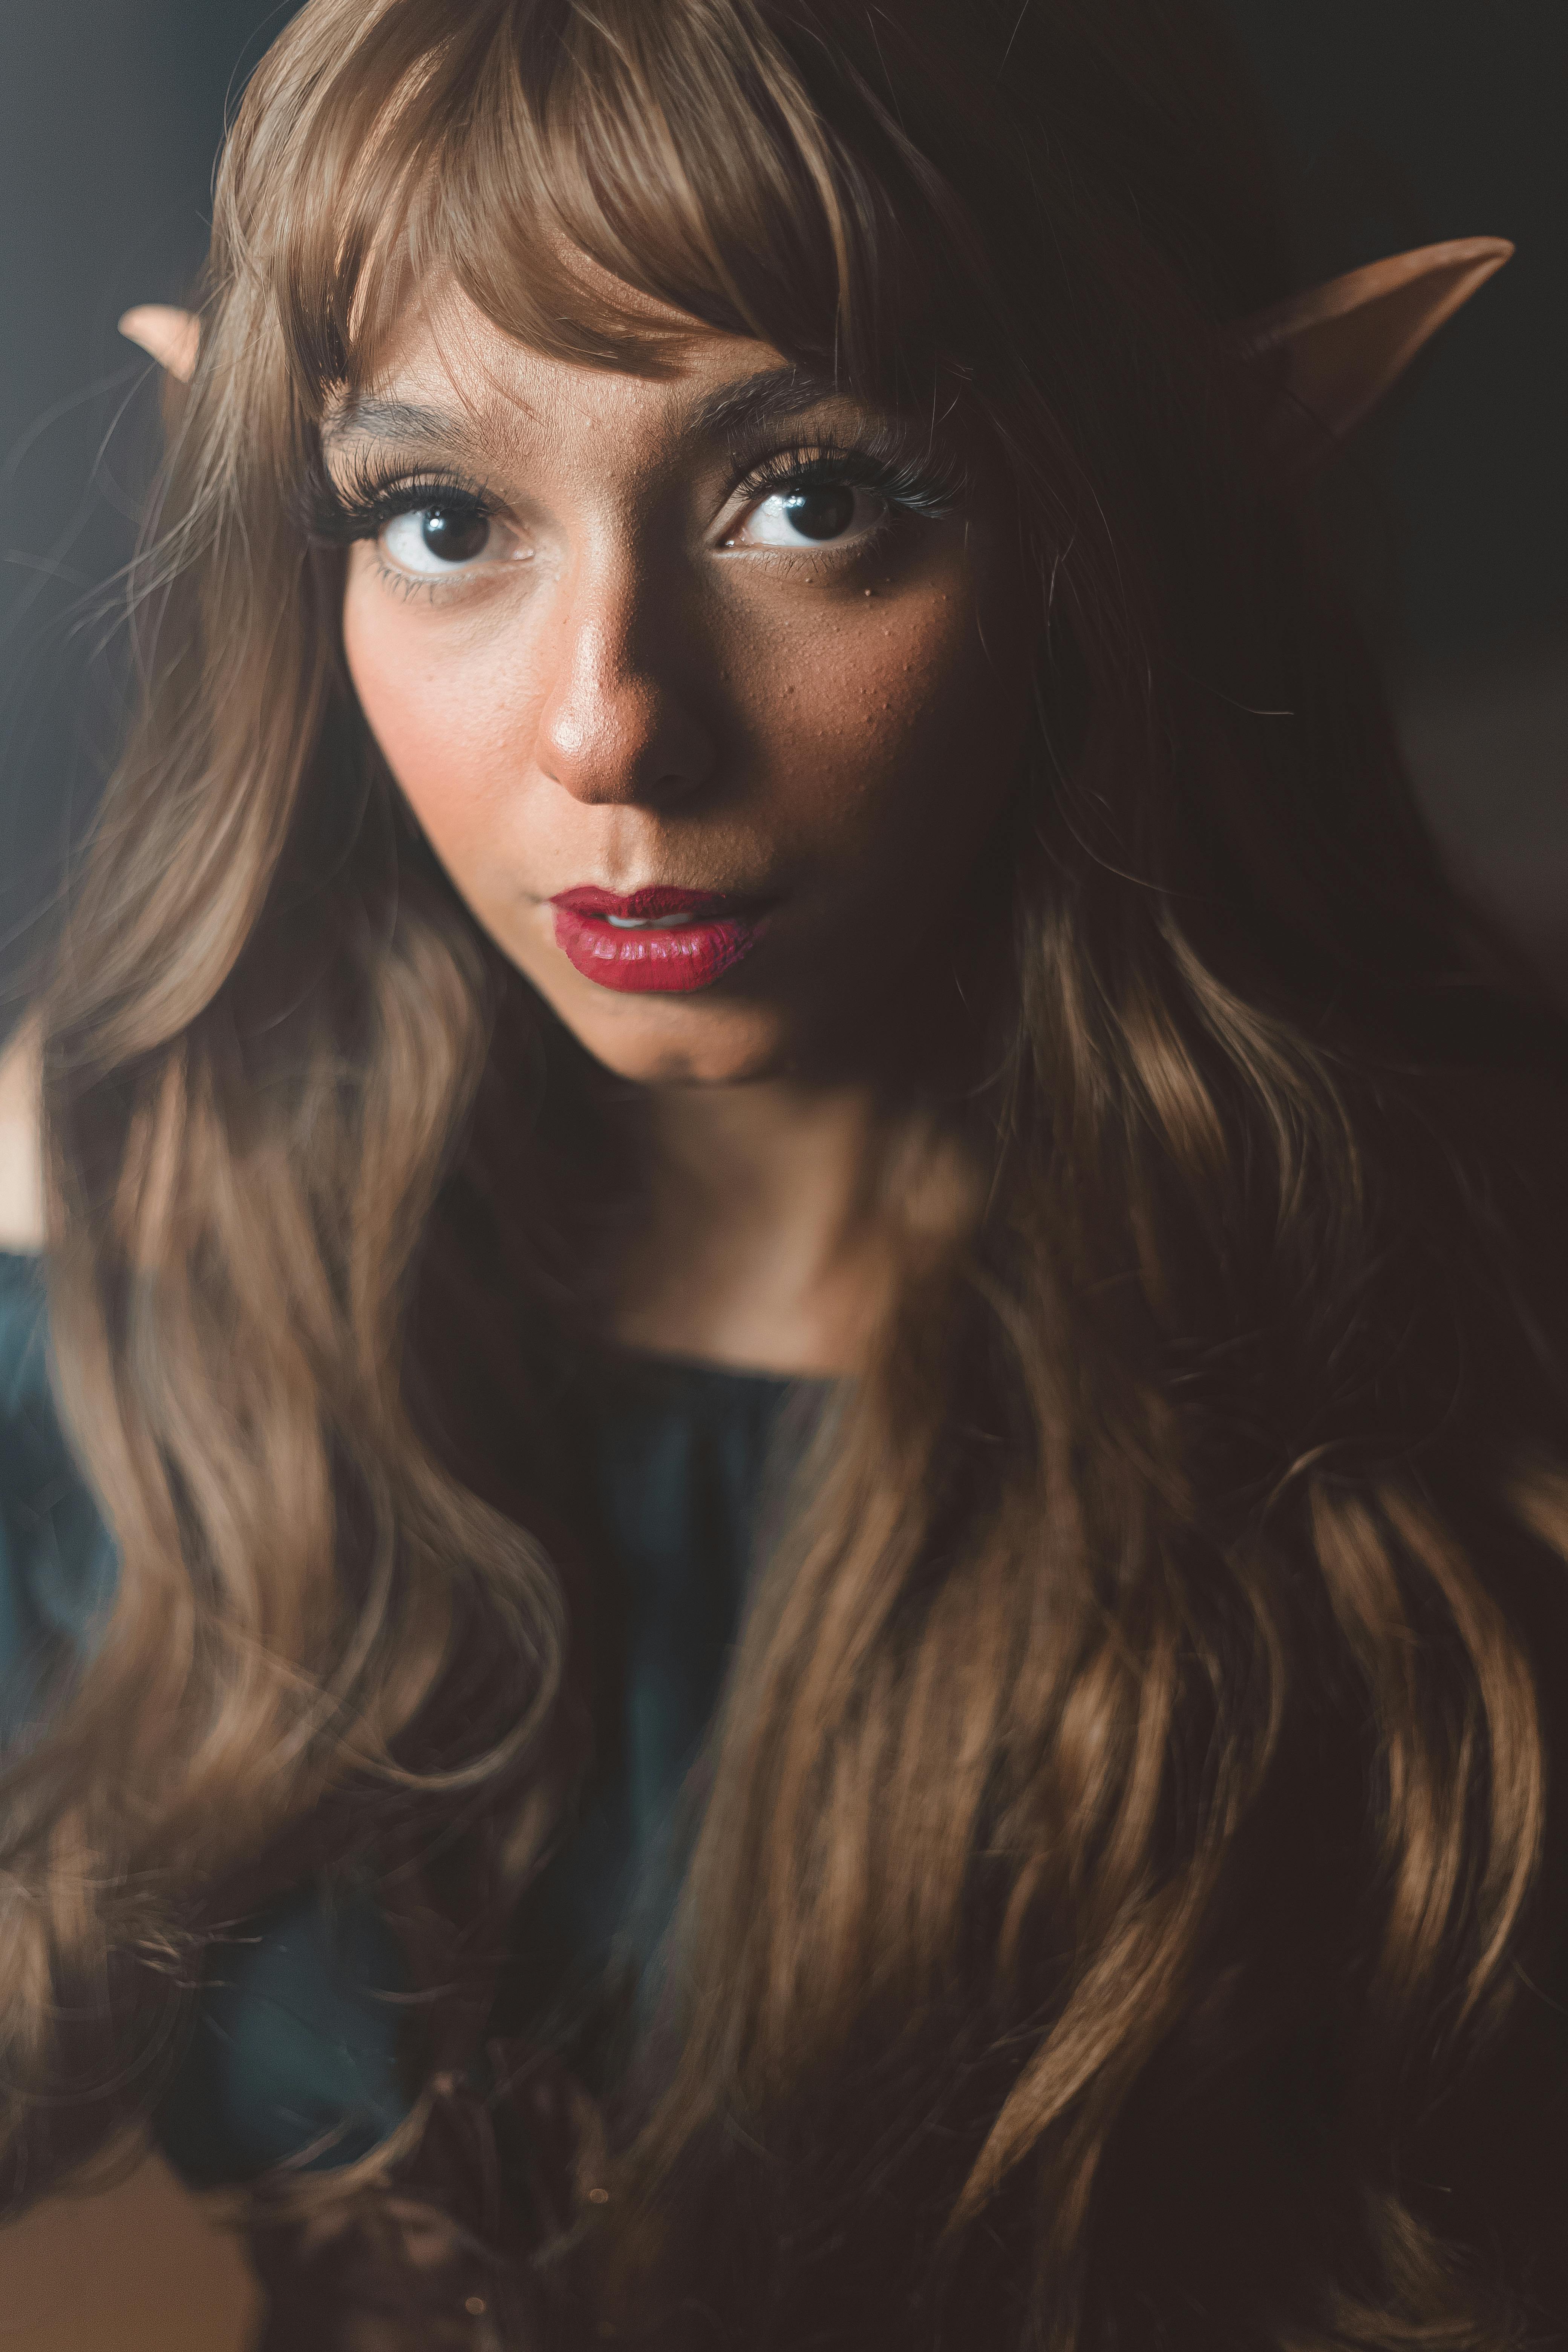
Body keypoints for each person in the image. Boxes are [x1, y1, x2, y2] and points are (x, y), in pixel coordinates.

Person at [1, 0, 1563, 2344]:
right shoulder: (109, 1233)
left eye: (814, 494)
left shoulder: (1462, 1369)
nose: (608, 719)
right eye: (443, 519)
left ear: (1172, 500)